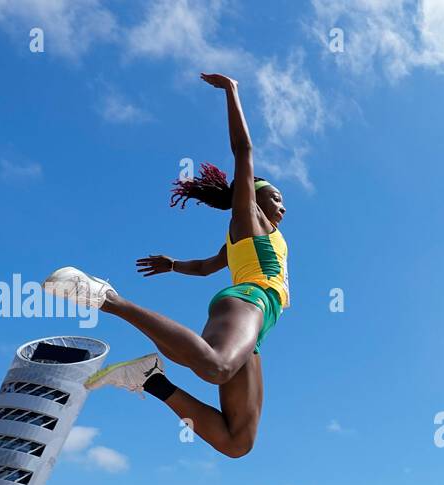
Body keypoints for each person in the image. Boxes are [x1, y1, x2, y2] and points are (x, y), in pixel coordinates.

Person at [43, 72, 288, 459]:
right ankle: (108, 299)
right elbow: (244, 151)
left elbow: (209, 267)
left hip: (259, 322)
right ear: (254, 201)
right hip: (247, 301)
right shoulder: (248, 219)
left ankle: (151, 379)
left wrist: (173, 265)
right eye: (276, 196)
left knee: (237, 441)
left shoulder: (256, 239)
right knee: (216, 368)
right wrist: (232, 91)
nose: (283, 205)